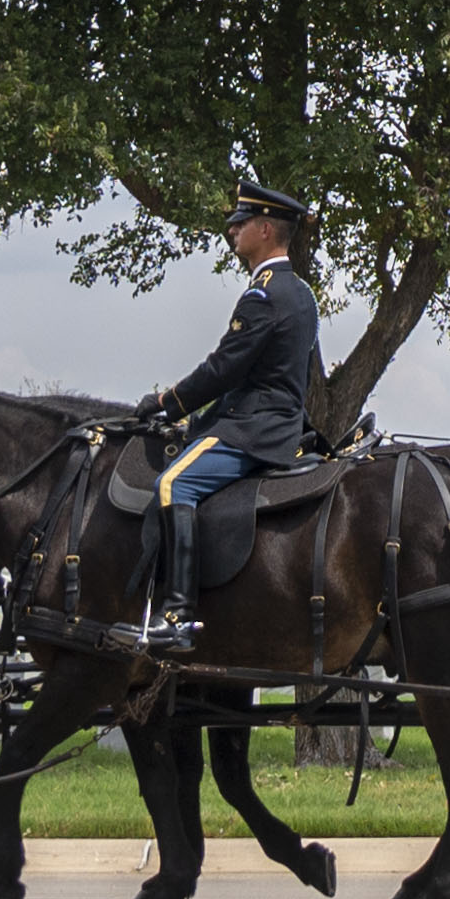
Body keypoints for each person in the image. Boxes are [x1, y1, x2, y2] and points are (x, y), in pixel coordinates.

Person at [129, 178, 326, 656]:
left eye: (242, 223)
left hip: (253, 430)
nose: (233, 230)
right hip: (281, 424)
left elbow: (224, 369)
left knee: (174, 485)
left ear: (265, 229)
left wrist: (166, 400)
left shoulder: (263, 295)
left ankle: (177, 615)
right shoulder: (302, 293)